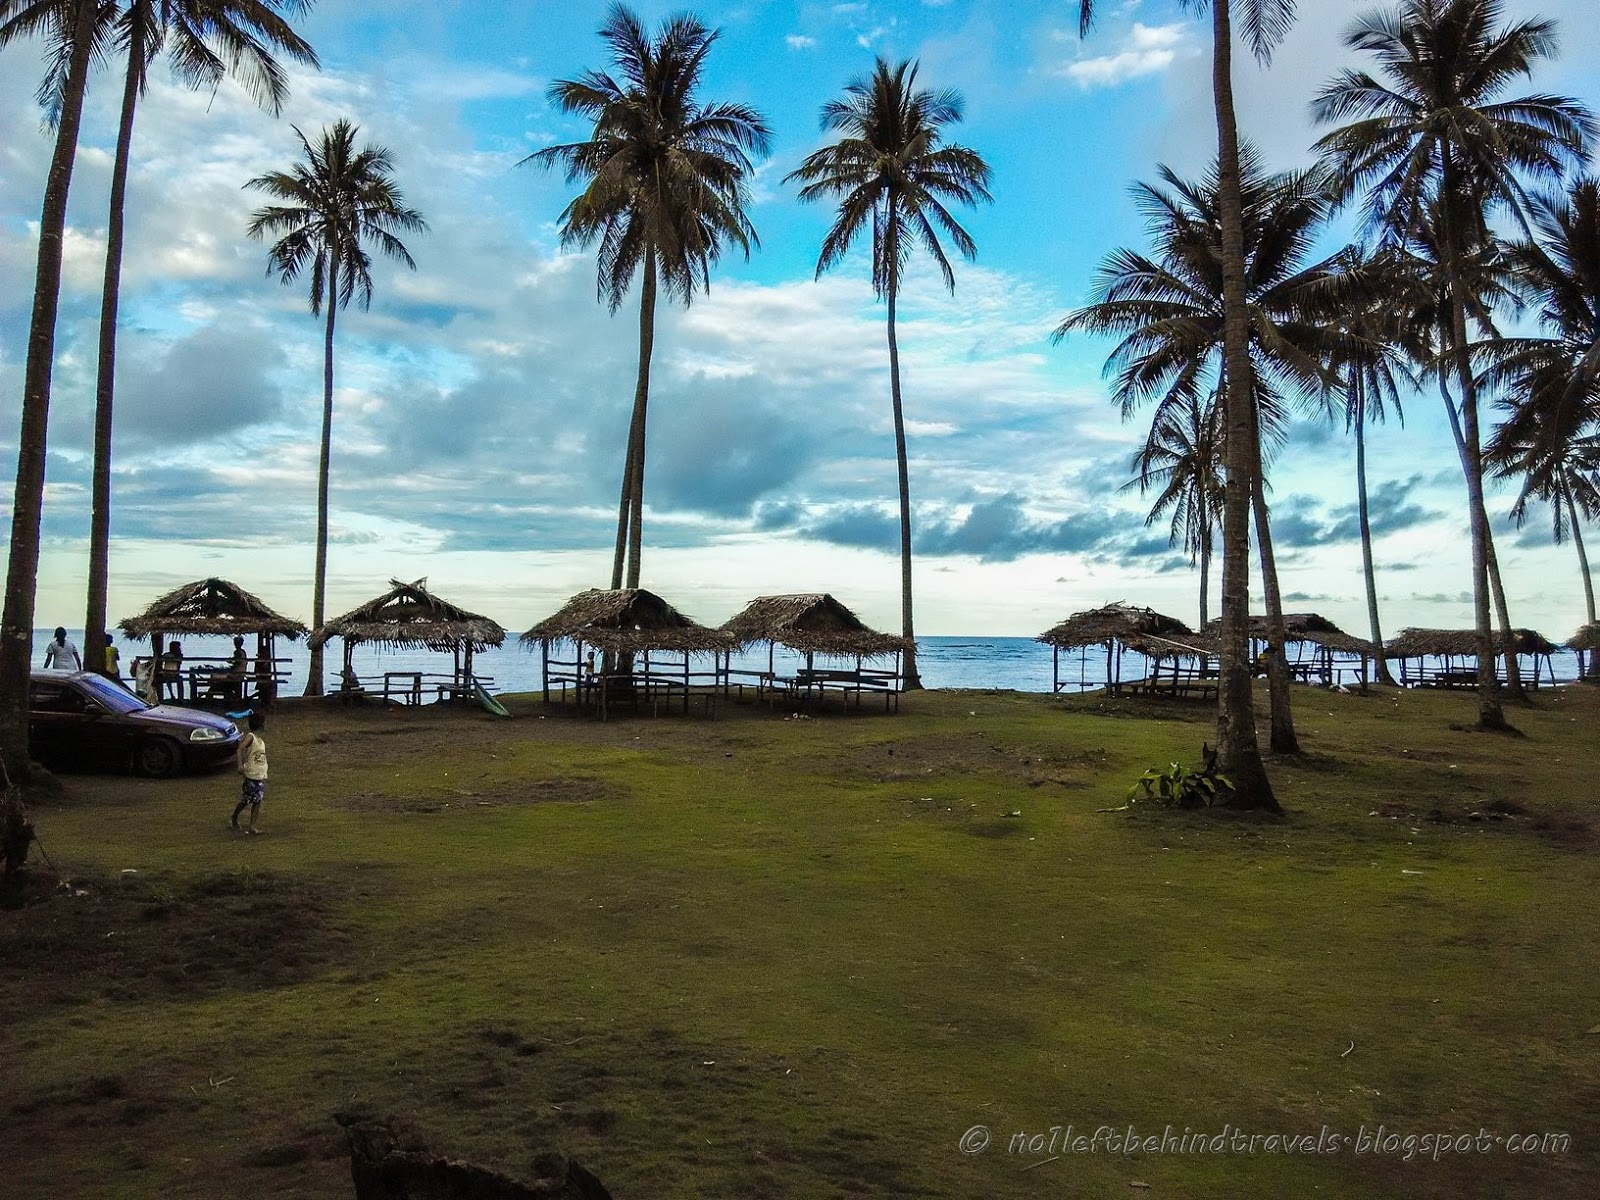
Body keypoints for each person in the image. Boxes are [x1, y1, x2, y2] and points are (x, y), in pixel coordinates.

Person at [231, 711, 268, 834]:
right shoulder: (251, 737)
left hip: (260, 775)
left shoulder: (260, 741)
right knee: (246, 799)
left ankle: (252, 826)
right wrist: (240, 765)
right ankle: (235, 816)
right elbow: (240, 749)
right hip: (251, 774)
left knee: (258, 800)